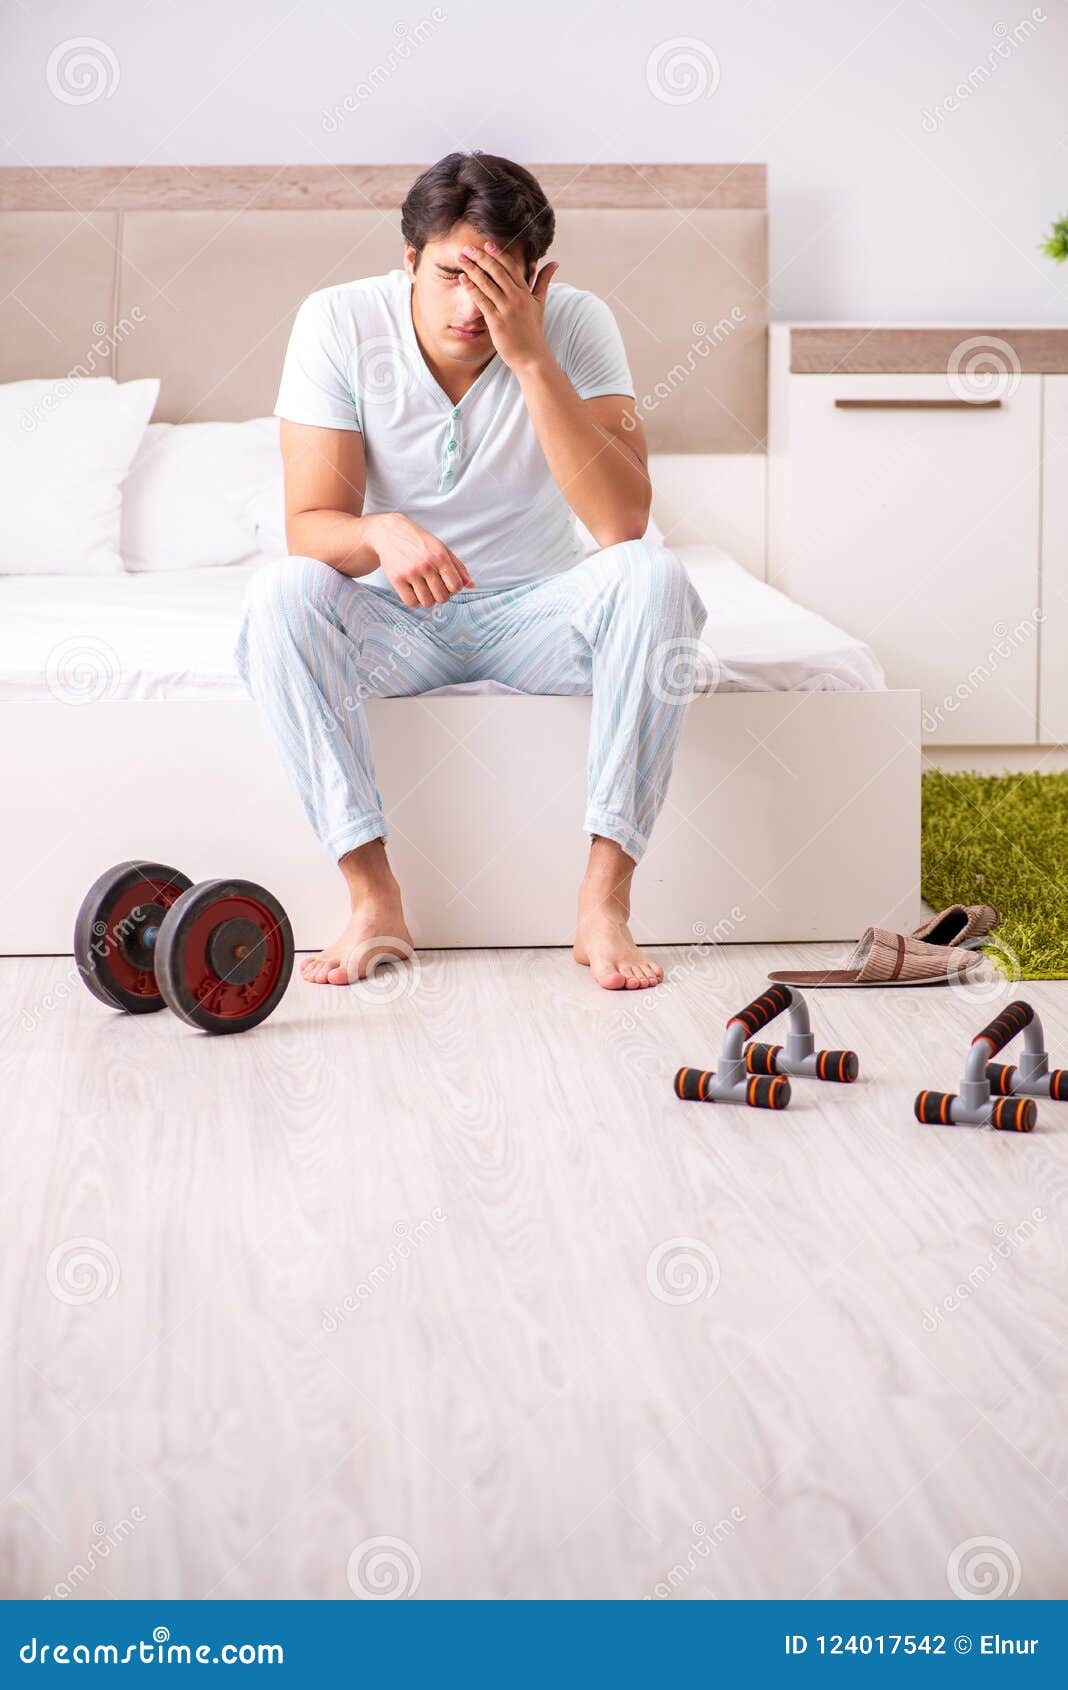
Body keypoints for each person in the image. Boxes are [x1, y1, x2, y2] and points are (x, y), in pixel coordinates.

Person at [236, 151, 706, 991]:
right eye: (452, 274)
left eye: (497, 282)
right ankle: (373, 897)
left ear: (537, 279)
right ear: (410, 260)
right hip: (397, 624)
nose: (469, 308)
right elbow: (310, 525)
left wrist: (532, 357)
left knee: (655, 576)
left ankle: (604, 903)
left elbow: (620, 523)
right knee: (281, 592)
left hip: (540, 619)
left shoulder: (577, 323)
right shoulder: (338, 321)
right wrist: (380, 532)